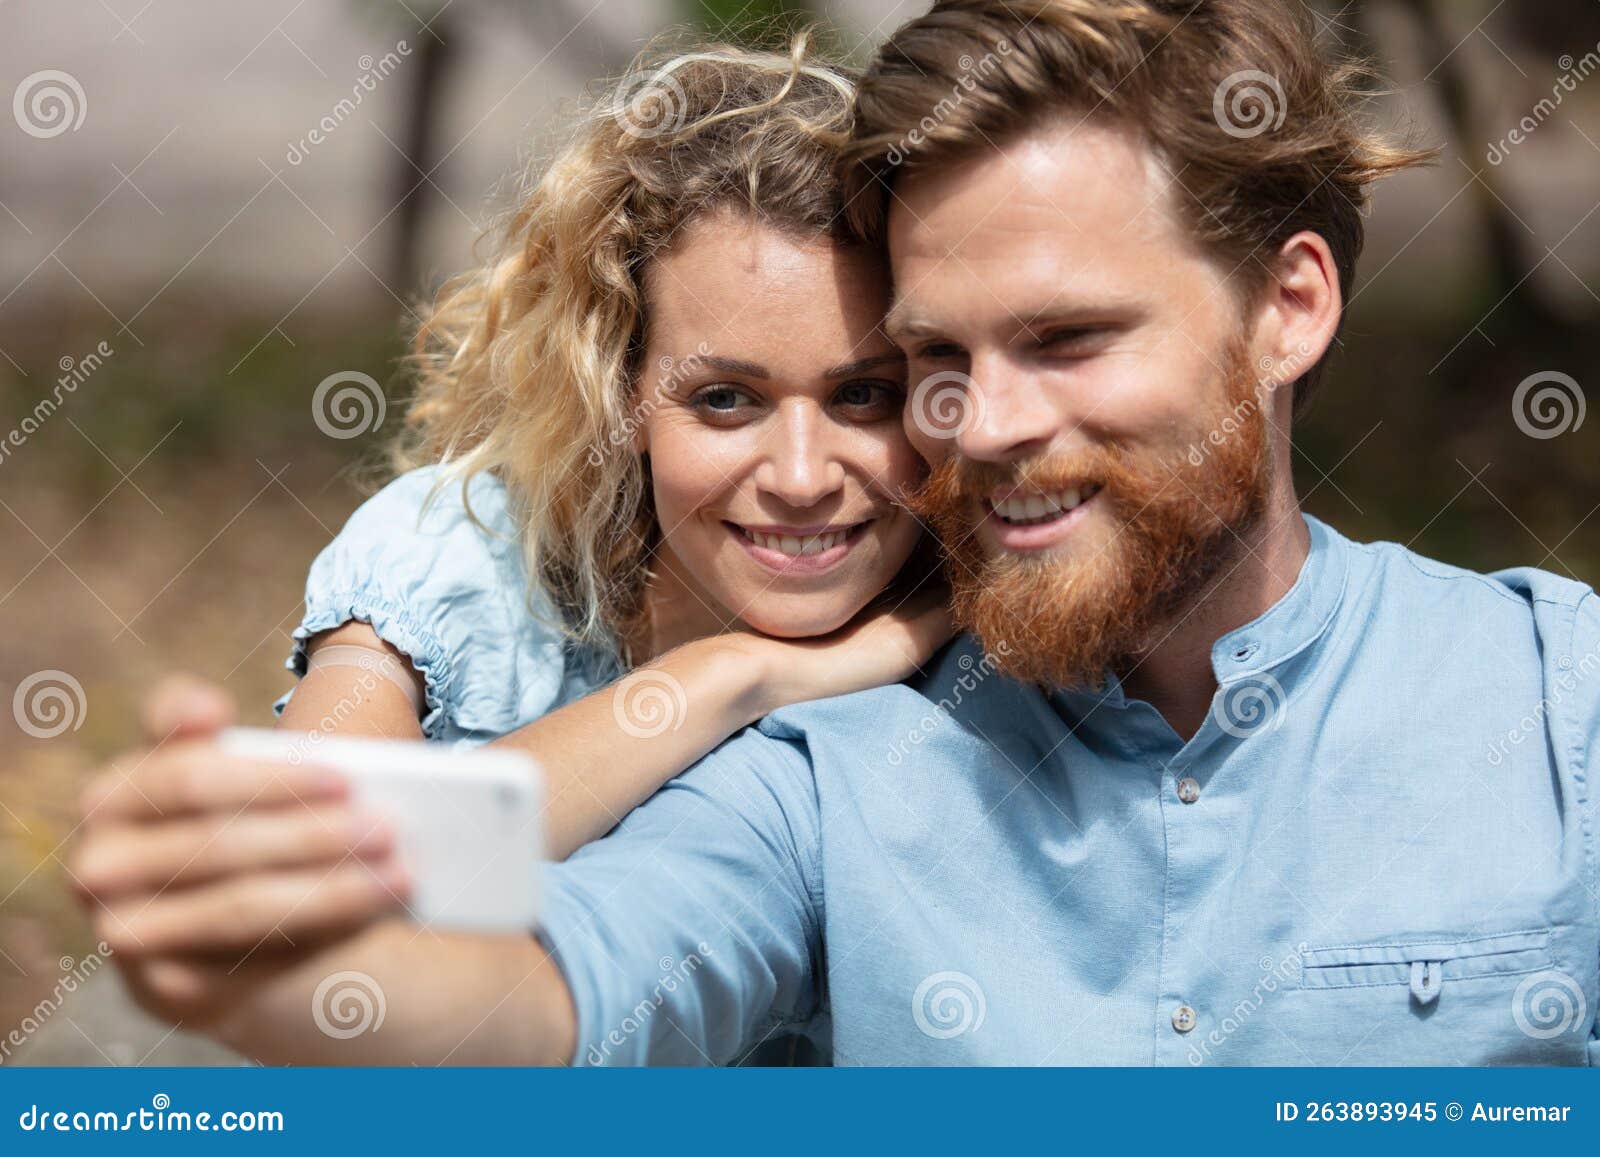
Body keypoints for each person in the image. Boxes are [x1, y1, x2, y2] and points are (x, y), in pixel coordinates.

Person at [82, 0, 1600, 1066]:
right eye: (939, 360)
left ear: (1291, 307)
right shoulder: (829, 753)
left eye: (1066, 337)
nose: (981, 425)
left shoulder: (1554, 701)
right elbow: (552, 992)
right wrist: (280, 970)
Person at [68, 36, 947, 1064]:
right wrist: (728, 675)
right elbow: (326, 890)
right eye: (723, 399)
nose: (800, 475)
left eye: (863, 395)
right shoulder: (459, 554)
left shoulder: (991, 626)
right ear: (622, 394)